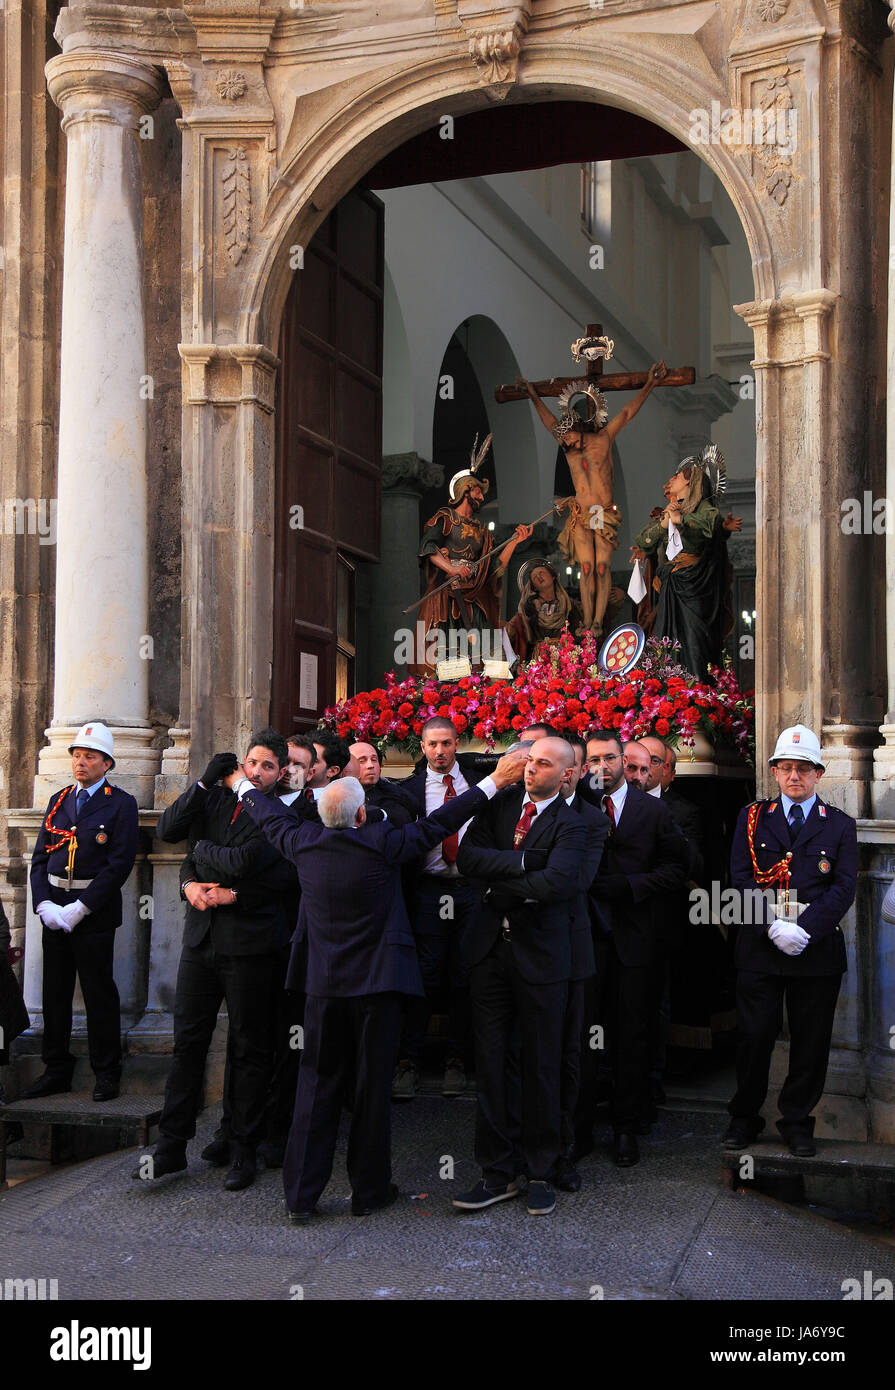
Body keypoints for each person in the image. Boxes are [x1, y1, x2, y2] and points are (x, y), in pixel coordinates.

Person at [228, 751, 528, 1220]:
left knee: (316, 1085)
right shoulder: (383, 842)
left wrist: (241, 785)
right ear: (362, 813)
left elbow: (268, 815)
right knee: (371, 1089)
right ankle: (368, 1191)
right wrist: (492, 780)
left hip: (323, 988)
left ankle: (300, 1198)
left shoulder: (301, 840)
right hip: (378, 986)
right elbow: (442, 821)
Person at [137, 732, 297, 1191]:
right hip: (201, 939)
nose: (257, 771)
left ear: (280, 774)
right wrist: (190, 883)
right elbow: (170, 833)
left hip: (250, 946)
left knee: (249, 1048)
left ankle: (243, 1150)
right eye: (252, 763)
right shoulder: (213, 800)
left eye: (268, 766)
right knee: (188, 1041)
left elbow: (246, 863)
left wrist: (201, 856)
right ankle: (171, 1145)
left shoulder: (279, 815)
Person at [453, 737, 588, 1217]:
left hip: (543, 959)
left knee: (541, 1065)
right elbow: (467, 860)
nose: (530, 770)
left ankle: (540, 1170)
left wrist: (496, 888)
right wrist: (529, 863)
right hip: (490, 954)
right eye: (528, 761)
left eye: (544, 764)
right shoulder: (500, 805)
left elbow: (558, 884)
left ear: (567, 775)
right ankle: (496, 1170)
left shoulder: (574, 823)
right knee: (491, 1063)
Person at [723, 725, 857, 1158]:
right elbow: (740, 879)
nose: (794, 776)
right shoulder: (751, 818)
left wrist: (806, 930)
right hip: (762, 947)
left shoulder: (838, 825)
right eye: (786, 768)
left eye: (803, 769)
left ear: (818, 774)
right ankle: (744, 1118)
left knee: (810, 1040)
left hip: (814, 949)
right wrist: (772, 927)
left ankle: (797, 1122)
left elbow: (843, 887)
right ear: (775, 773)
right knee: (754, 1036)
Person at [576, 730, 688, 1166]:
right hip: (586, 939)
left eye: (608, 758)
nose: (601, 767)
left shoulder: (653, 811)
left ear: (625, 761)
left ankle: (626, 1126)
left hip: (635, 941)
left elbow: (677, 868)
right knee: (584, 1035)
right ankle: (579, 1127)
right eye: (593, 760)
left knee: (631, 1037)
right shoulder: (578, 805)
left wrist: (630, 886)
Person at [26, 722, 139, 1102]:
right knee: (54, 991)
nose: (80, 763)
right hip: (56, 910)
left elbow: (119, 863)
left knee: (98, 992)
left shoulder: (121, 803)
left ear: (106, 763)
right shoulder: (59, 800)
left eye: (89, 757)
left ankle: (106, 1071)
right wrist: (44, 904)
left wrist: (82, 907)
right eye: (76, 756)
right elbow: (40, 858)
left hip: (93, 912)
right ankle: (56, 1067)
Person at [517, 354, 667, 633]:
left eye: (569, 435)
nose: (566, 441)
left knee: (600, 568)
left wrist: (649, 385)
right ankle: (587, 621)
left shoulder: (603, 439)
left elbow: (626, 413)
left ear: (578, 427)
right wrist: (533, 395)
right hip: (581, 513)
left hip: (601, 512)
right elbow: (549, 422)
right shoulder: (568, 447)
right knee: (586, 570)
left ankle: (598, 620)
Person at [392, 717, 492, 1100]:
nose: (439, 751)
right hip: (429, 893)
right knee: (424, 974)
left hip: (470, 892)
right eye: (432, 744)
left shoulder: (477, 783)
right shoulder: (409, 791)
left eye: (447, 743)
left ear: (456, 744)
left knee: (465, 975)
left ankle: (457, 1060)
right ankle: (408, 1061)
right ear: (422, 746)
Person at [417, 435, 531, 661]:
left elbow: (495, 566)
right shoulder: (446, 518)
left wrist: (515, 542)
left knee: (481, 646)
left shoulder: (482, 532)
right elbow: (428, 547)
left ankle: (478, 685)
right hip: (450, 591)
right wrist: (451, 569)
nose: (482, 496)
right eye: (478, 492)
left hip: (475, 593)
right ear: (466, 491)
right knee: (450, 643)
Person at [555, 735, 610, 1190]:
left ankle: (570, 1139)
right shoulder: (512, 809)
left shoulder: (591, 819)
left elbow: (575, 880)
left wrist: (518, 873)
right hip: (516, 950)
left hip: (571, 949)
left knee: (573, 1048)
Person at [630, 445, 733, 678]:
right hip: (672, 586)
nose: (672, 480)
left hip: (696, 587)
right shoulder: (671, 510)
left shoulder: (706, 510)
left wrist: (681, 519)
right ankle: (670, 687)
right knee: (668, 639)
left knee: (695, 642)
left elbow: (708, 525)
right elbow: (643, 540)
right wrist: (665, 524)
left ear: (690, 482)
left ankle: (697, 688)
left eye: (677, 476)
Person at [505, 559, 581, 661]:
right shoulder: (528, 608)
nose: (539, 577)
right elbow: (515, 626)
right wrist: (509, 628)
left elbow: (579, 630)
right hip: (537, 658)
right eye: (534, 577)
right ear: (534, 587)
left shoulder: (569, 605)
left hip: (563, 659)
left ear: (553, 576)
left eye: (541, 573)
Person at [350, 741, 417, 826]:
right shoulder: (334, 792)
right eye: (362, 761)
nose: (370, 765)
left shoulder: (397, 796)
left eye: (374, 760)